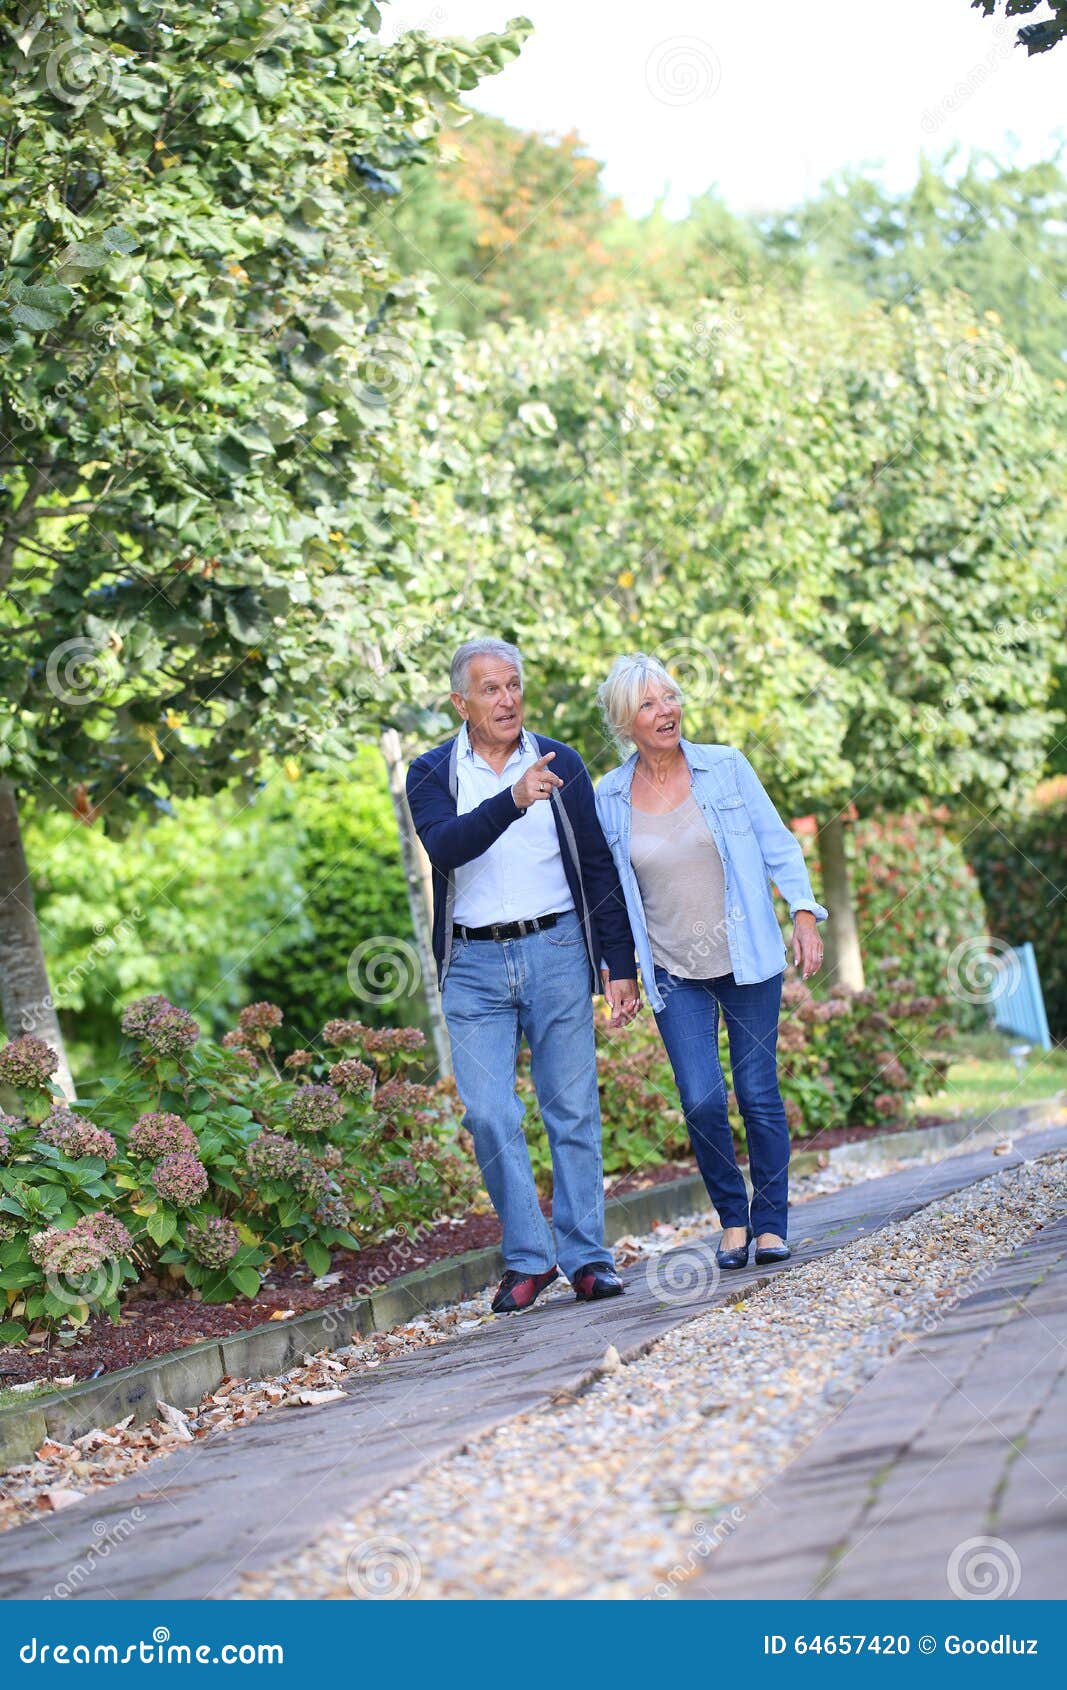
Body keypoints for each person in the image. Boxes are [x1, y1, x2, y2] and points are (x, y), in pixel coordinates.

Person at [406, 638, 640, 1313]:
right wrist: (512, 799)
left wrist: (616, 964)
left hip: (558, 948)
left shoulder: (559, 761)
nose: (506, 699)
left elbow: (596, 865)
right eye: (490, 689)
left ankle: (587, 1256)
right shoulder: (430, 773)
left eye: (513, 685)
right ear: (460, 702)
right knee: (487, 1115)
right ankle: (529, 1257)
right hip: (473, 965)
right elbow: (447, 846)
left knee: (571, 1108)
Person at [594, 653, 827, 1270]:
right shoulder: (609, 797)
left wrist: (803, 911)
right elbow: (610, 895)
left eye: (669, 697)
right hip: (673, 968)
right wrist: (617, 972)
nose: (665, 711)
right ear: (625, 723)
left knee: (757, 1091)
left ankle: (770, 1224)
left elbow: (779, 844)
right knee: (699, 1099)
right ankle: (733, 1219)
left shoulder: (725, 768)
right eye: (648, 704)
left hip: (746, 956)